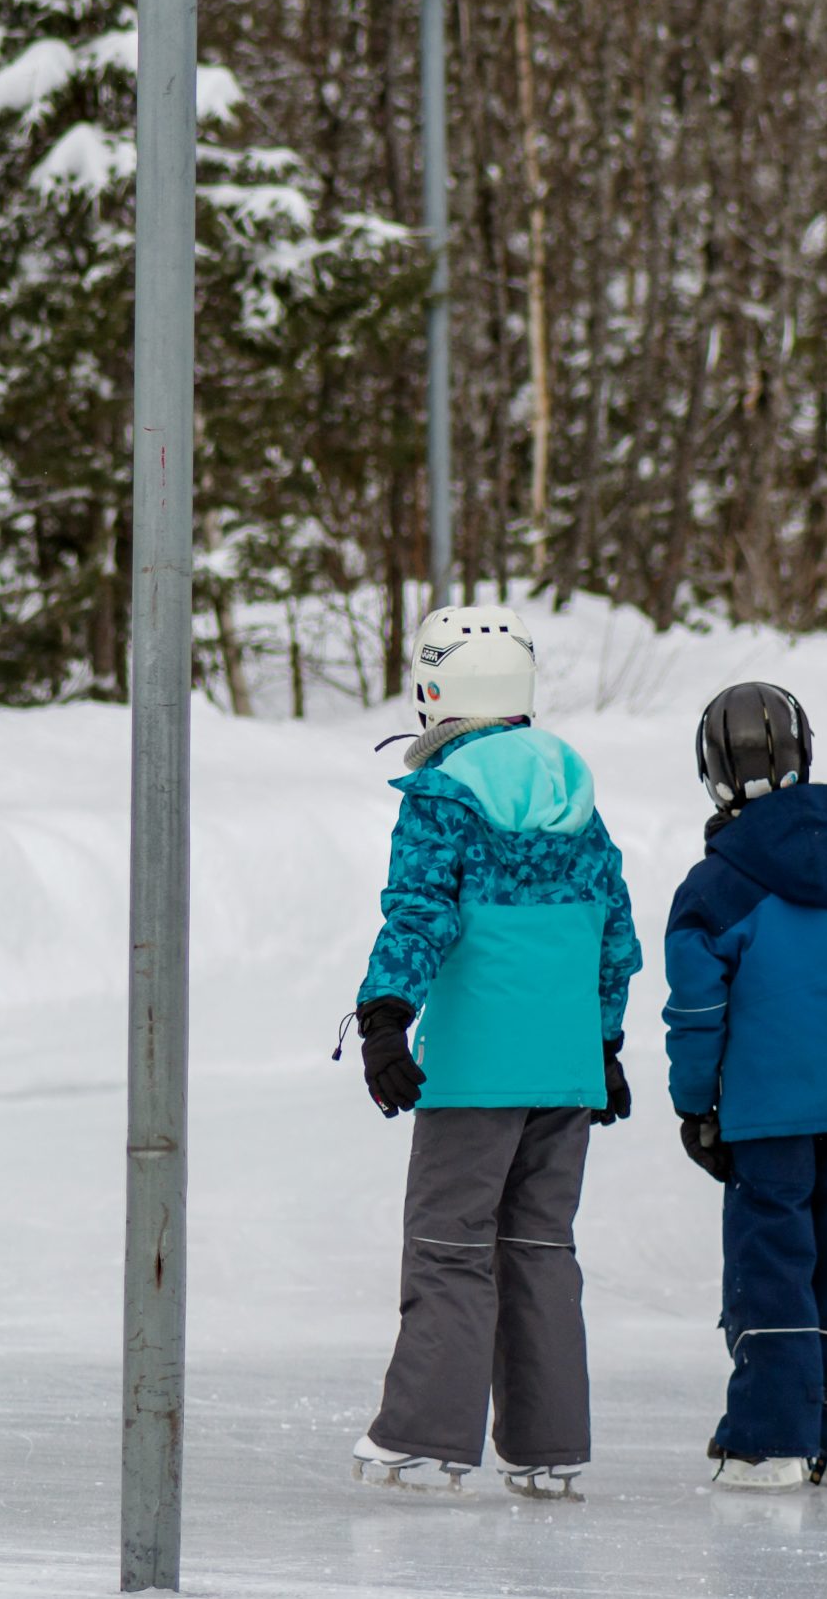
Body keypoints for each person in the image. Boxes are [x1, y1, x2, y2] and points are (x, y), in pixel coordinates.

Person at [338, 604, 641, 1500]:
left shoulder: (444, 795)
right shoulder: (575, 795)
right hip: (563, 1067)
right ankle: (549, 1446)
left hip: (476, 1065)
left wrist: (386, 1014)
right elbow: (613, 932)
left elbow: (421, 911)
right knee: (541, 1245)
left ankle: (426, 1437)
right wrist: (606, 1040)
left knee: (448, 1242)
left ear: (436, 690)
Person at [662, 682, 827, 1493]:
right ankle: (822, 1431)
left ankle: (768, 1438)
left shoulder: (716, 886)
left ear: (713, 772)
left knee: (771, 1263)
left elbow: (696, 1008)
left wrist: (696, 1105)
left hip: (769, 1115)